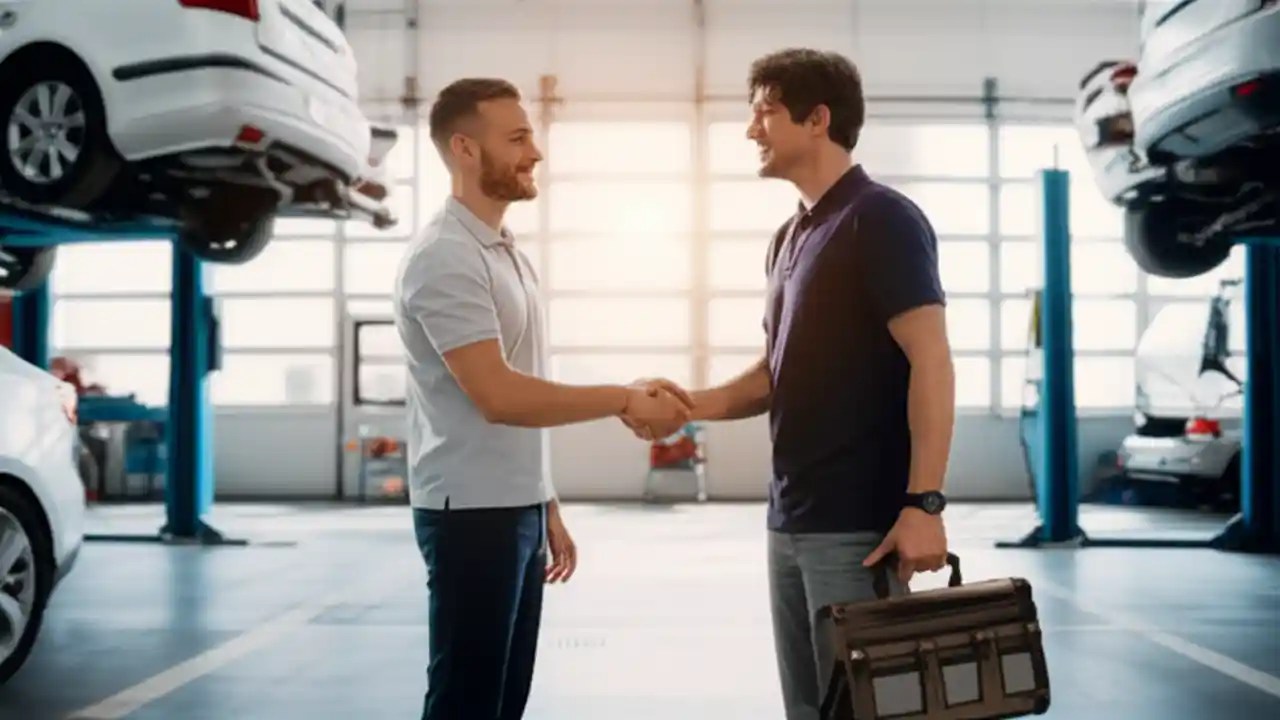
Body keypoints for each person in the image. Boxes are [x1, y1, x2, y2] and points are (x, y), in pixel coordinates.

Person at [634, 49, 956, 719]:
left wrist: (924, 503)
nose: (752, 130)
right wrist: (690, 407)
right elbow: (774, 372)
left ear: (817, 119)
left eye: (765, 113)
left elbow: (932, 359)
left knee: (869, 712)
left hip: (860, 526)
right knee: (810, 711)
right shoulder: (790, 237)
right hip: (791, 521)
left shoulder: (882, 219)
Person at [393, 77, 694, 720]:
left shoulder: (505, 253)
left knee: (504, 700)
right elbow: (499, 396)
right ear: (465, 149)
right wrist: (622, 399)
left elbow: (523, 383)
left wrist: (543, 499)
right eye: (519, 137)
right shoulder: (445, 257)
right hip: (470, 513)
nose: (536, 152)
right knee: (466, 701)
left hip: (512, 506)